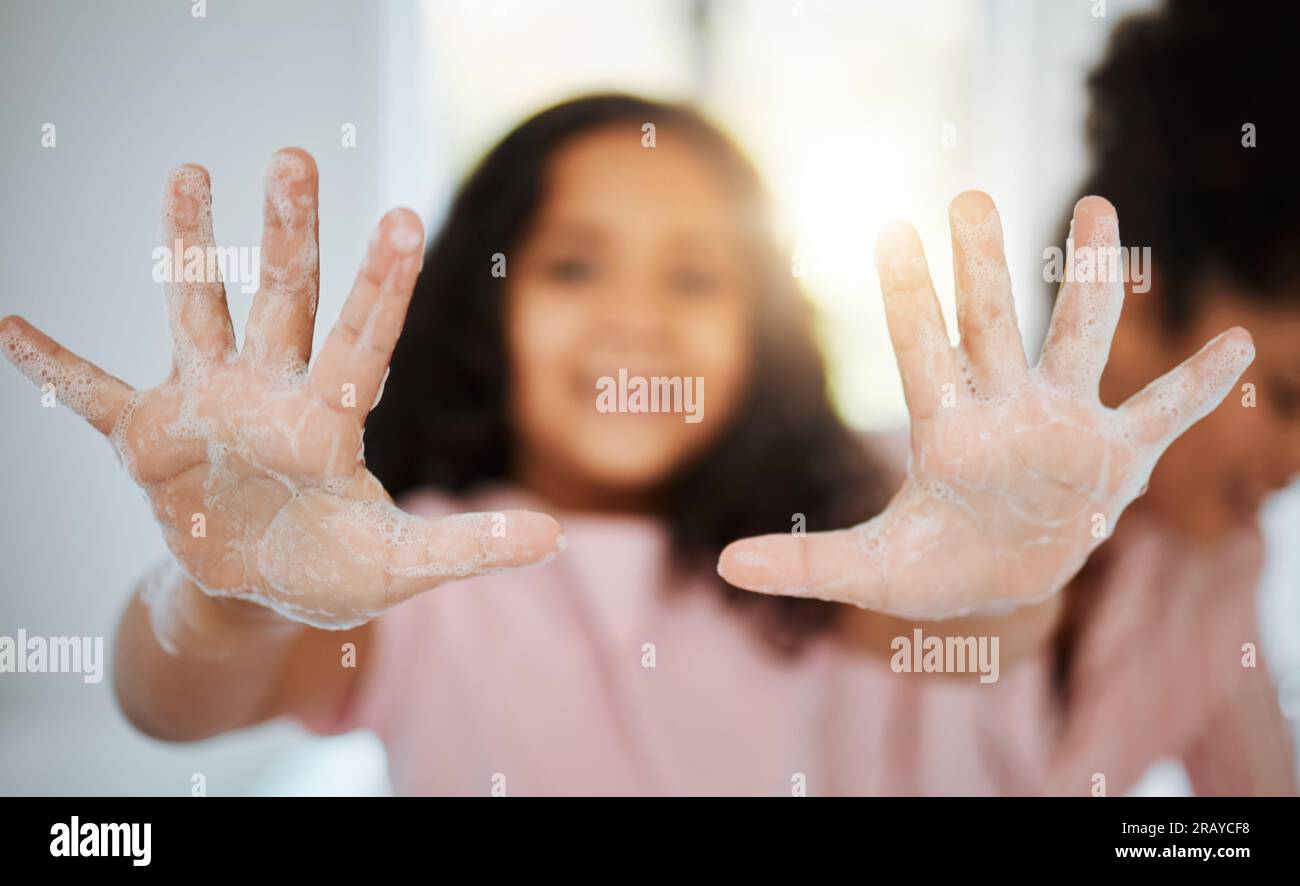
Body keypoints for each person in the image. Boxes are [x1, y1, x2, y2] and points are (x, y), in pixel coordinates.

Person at [0, 86, 1275, 794]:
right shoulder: (404, 563)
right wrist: (225, 589)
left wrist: (1017, 578)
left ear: (765, 331)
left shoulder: (806, 555)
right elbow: (170, 701)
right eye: (571, 263)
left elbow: (968, 638)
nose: (637, 319)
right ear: (485, 303)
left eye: (698, 279)